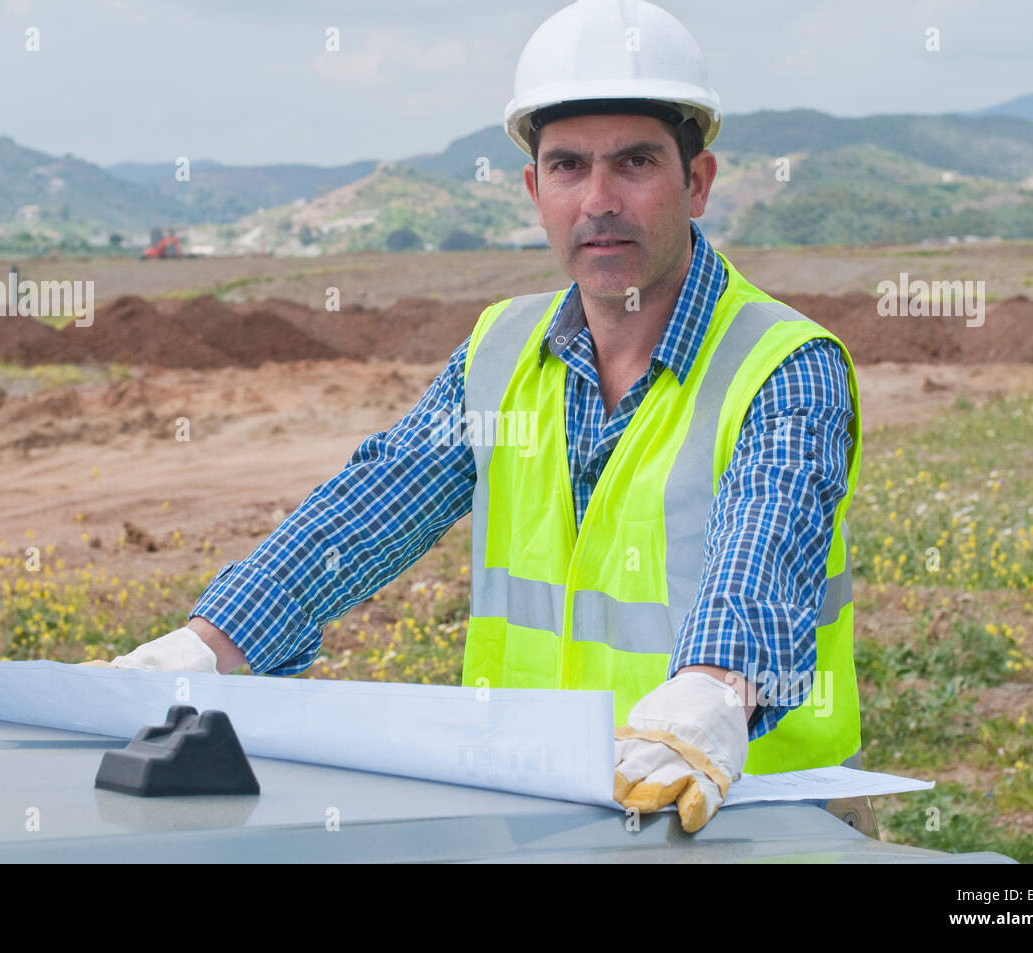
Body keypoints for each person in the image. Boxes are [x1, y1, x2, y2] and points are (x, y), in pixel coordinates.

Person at [97, 0, 864, 834]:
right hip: (548, 813)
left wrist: (712, 692)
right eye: (569, 167)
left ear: (699, 183)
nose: (598, 200)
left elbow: (767, 546)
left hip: (756, 816)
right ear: (536, 191)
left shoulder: (782, 366)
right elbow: (372, 507)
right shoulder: (501, 352)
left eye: (635, 163)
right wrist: (208, 645)